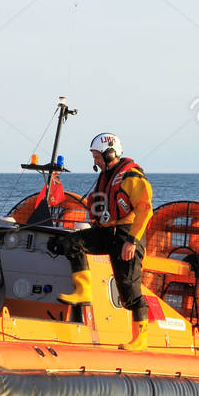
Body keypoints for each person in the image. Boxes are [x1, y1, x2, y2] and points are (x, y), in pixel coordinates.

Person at [56, 132, 154, 350]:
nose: (95, 161)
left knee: (128, 289)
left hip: (127, 234)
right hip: (106, 232)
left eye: (97, 157)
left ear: (110, 154)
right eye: (93, 157)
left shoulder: (131, 178)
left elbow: (145, 211)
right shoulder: (105, 177)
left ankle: (141, 338)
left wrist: (131, 241)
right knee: (70, 243)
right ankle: (83, 290)